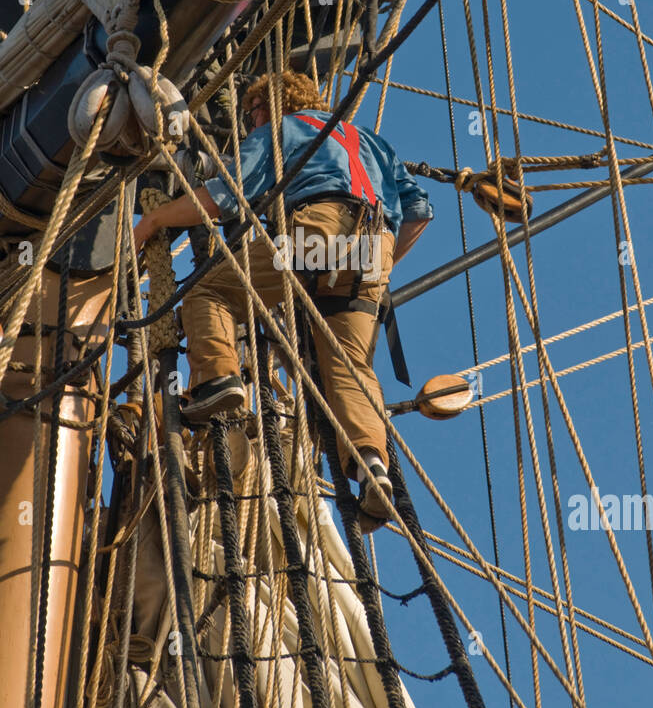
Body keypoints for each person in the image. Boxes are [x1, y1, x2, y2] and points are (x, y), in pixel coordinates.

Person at [133, 71, 432, 517]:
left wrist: (154, 222)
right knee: (350, 365)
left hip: (316, 229)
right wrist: (379, 270)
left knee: (210, 291)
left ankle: (217, 380)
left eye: (251, 117)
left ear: (265, 108)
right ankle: (372, 465)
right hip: (375, 246)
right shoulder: (370, 141)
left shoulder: (281, 131)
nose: (251, 127)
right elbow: (419, 211)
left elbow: (225, 195)